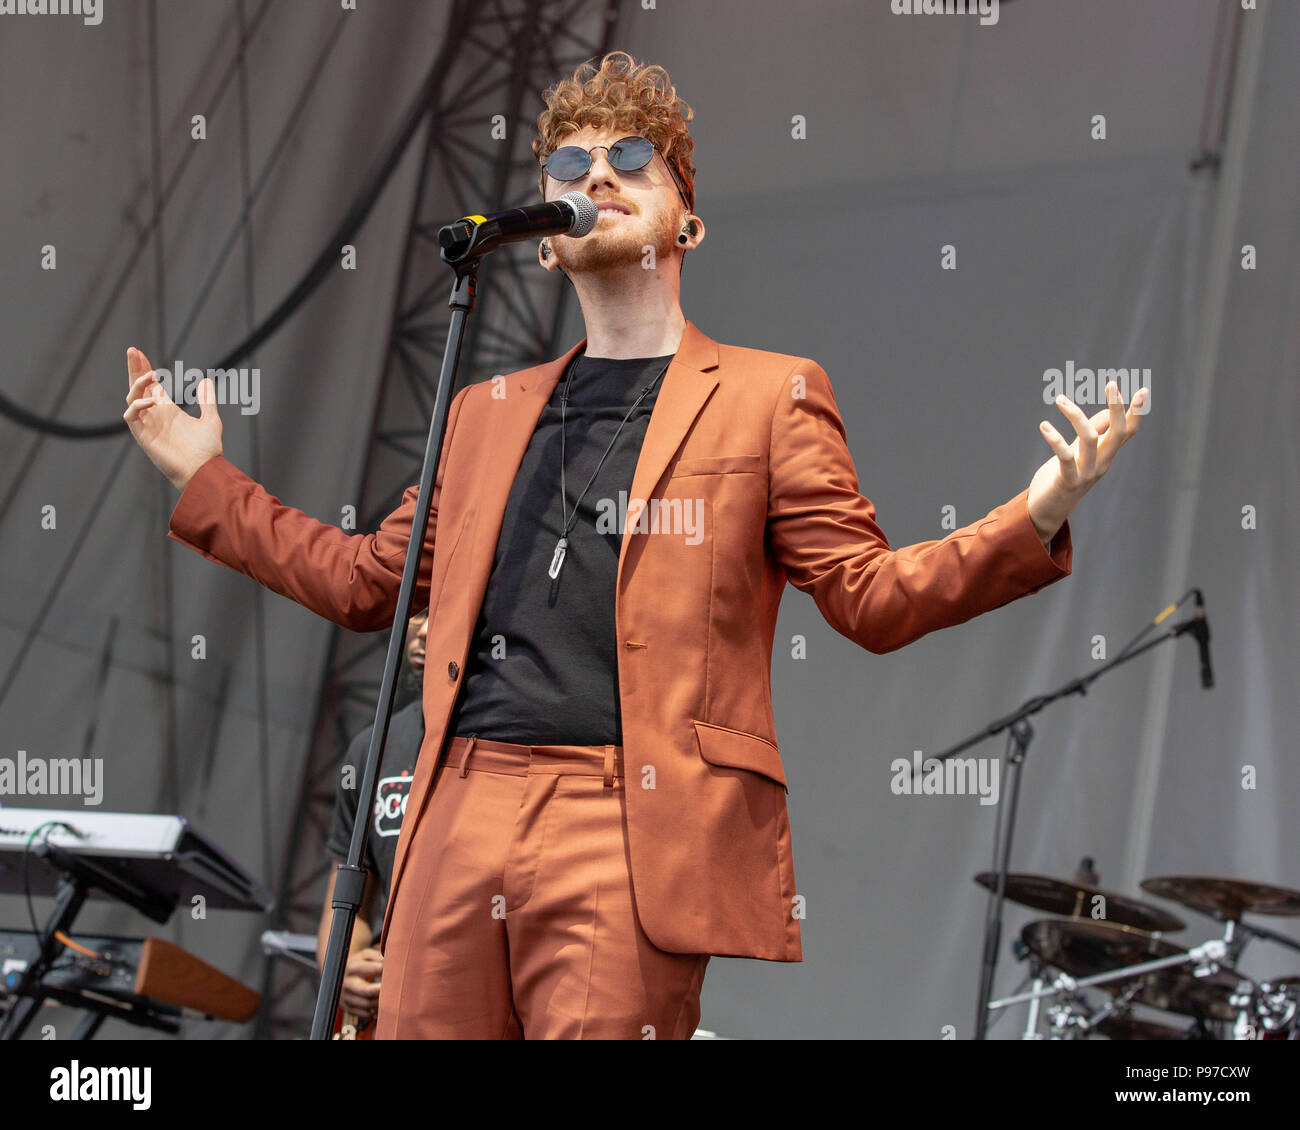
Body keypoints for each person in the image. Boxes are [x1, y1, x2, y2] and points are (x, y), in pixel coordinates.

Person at [122, 51, 1146, 1039]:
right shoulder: (482, 411)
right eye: (568, 167)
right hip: (457, 801)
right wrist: (202, 477)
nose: (595, 178)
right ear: (542, 239)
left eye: (629, 162)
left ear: (686, 218)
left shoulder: (766, 396)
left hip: (624, 813)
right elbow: (363, 581)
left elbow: (870, 596)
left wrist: (1036, 511)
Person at [316, 609, 426, 1035]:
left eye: (440, 611)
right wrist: (341, 969)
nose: (424, 632)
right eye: (417, 614)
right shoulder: (373, 747)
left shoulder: (504, 745)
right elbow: (346, 902)